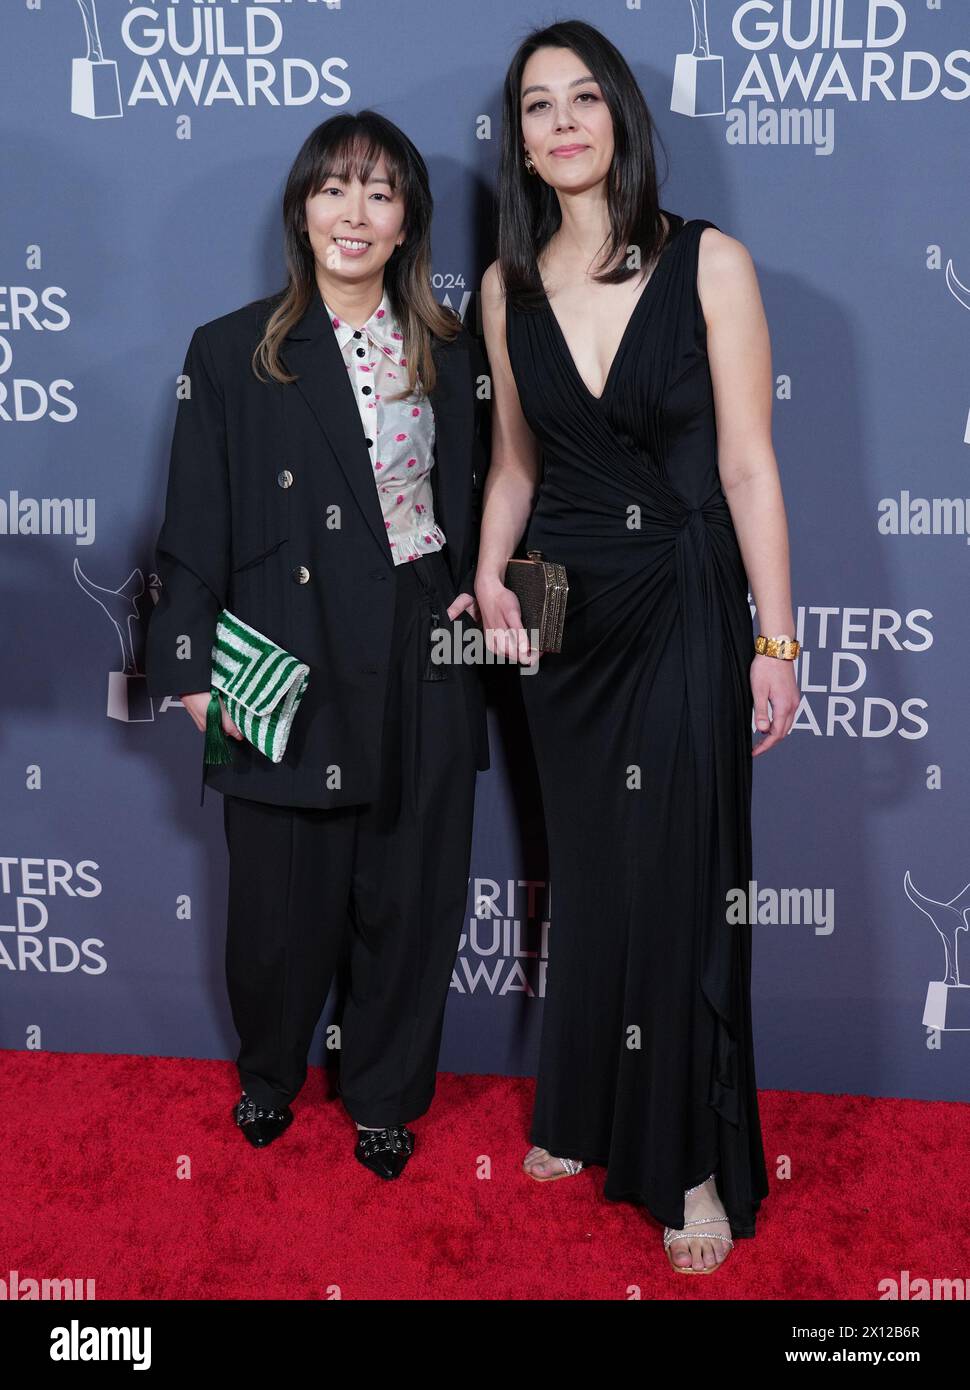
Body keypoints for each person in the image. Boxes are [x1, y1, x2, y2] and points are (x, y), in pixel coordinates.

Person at [475, 19, 799, 1272]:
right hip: (569, 616)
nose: (561, 123)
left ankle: (692, 1164)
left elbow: (747, 465)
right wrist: (487, 578)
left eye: (581, 99)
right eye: (536, 106)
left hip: (683, 595)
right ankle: (580, 1114)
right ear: (520, 138)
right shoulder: (505, 289)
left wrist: (775, 636)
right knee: (597, 870)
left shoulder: (710, 262)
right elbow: (513, 466)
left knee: (677, 879)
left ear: (620, 115)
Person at [145, 111, 490, 1180]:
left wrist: (489, 596)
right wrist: (194, 676)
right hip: (279, 650)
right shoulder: (231, 350)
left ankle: (385, 1093)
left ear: (406, 222)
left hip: (422, 644)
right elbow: (192, 529)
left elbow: (486, 503)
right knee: (277, 908)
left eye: (379, 193)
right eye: (333, 188)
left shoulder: (448, 347)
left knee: (411, 888)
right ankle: (267, 1076)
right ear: (301, 210)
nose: (353, 211)